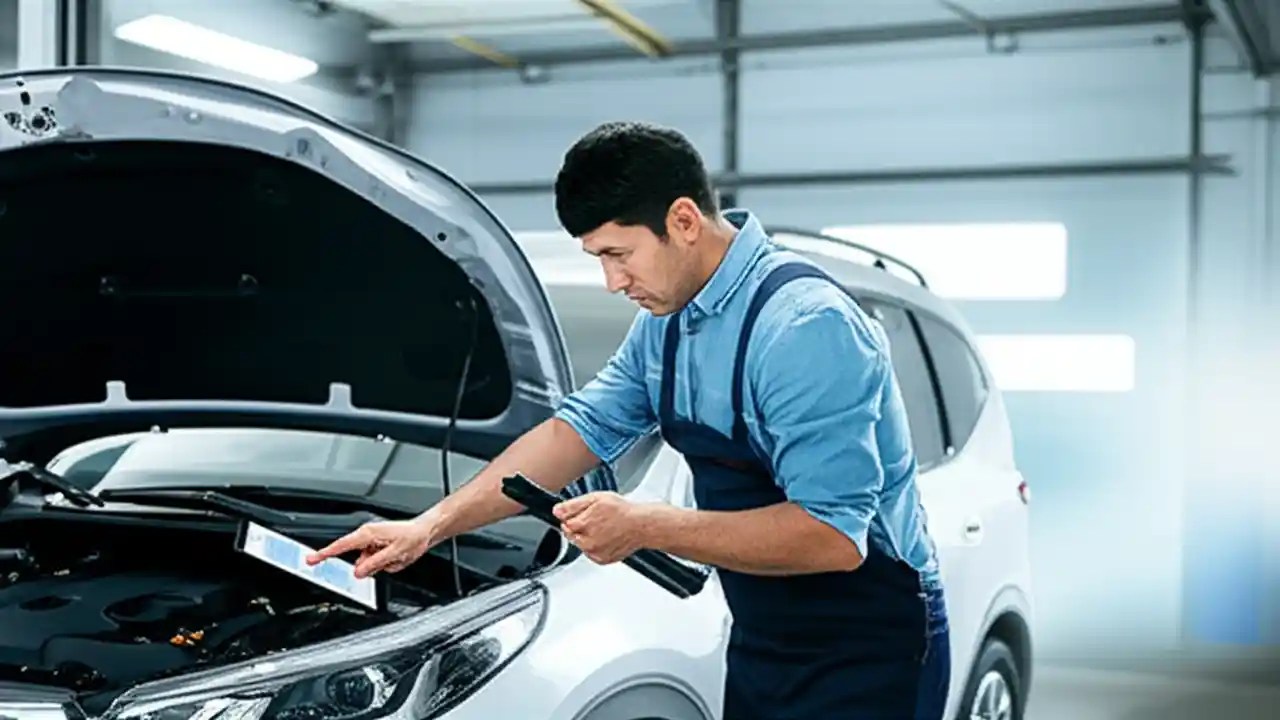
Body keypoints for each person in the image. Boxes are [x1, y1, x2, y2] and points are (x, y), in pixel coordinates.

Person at [306, 120, 951, 719]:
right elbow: (574, 433)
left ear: (684, 220)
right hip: (767, 634)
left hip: (870, 643)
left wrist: (646, 524)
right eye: (598, 260)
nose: (615, 282)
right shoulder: (667, 326)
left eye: (620, 254)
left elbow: (830, 538)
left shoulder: (804, 328)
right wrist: (428, 526)